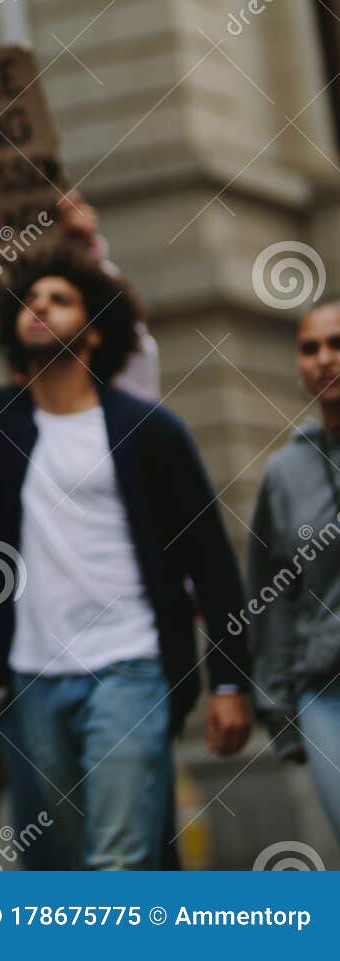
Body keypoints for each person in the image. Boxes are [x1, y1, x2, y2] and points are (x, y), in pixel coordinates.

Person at [0, 238, 254, 870]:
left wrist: (229, 679)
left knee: (116, 858)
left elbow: (211, 559)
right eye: (31, 299)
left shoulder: (151, 430)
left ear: (93, 331)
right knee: (65, 860)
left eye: (60, 300)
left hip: (131, 665)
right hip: (32, 679)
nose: (41, 307)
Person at [248, 301, 340, 840]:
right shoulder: (285, 473)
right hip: (325, 689)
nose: (324, 359)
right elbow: (272, 595)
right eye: (310, 348)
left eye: (337, 344)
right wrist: (275, 703)